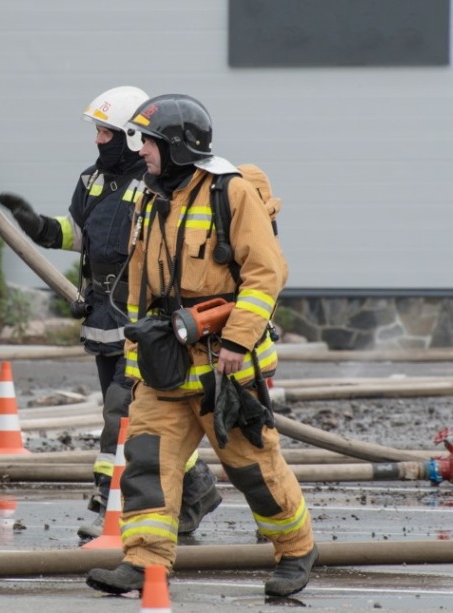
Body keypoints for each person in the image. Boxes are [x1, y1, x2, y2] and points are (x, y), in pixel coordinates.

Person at [85, 94, 318, 598]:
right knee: (147, 463)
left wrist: (236, 338)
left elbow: (266, 273)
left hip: (223, 369)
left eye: (149, 141)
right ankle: (145, 562)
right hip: (164, 367)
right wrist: (135, 361)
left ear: (177, 146)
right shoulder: (151, 196)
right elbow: (142, 288)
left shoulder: (229, 193)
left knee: (252, 468)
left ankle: (296, 550)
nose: (141, 150)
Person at [0, 86, 221, 541]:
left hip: (143, 319)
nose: (98, 140)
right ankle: (196, 488)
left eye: (105, 132)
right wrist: (38, 227)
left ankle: (108, 500)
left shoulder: (159, 184)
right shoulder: (91, 180)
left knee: (122, 411)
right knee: (135, 413)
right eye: (97, 131)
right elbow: (79, 235)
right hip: (102, 317)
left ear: (132, 138)